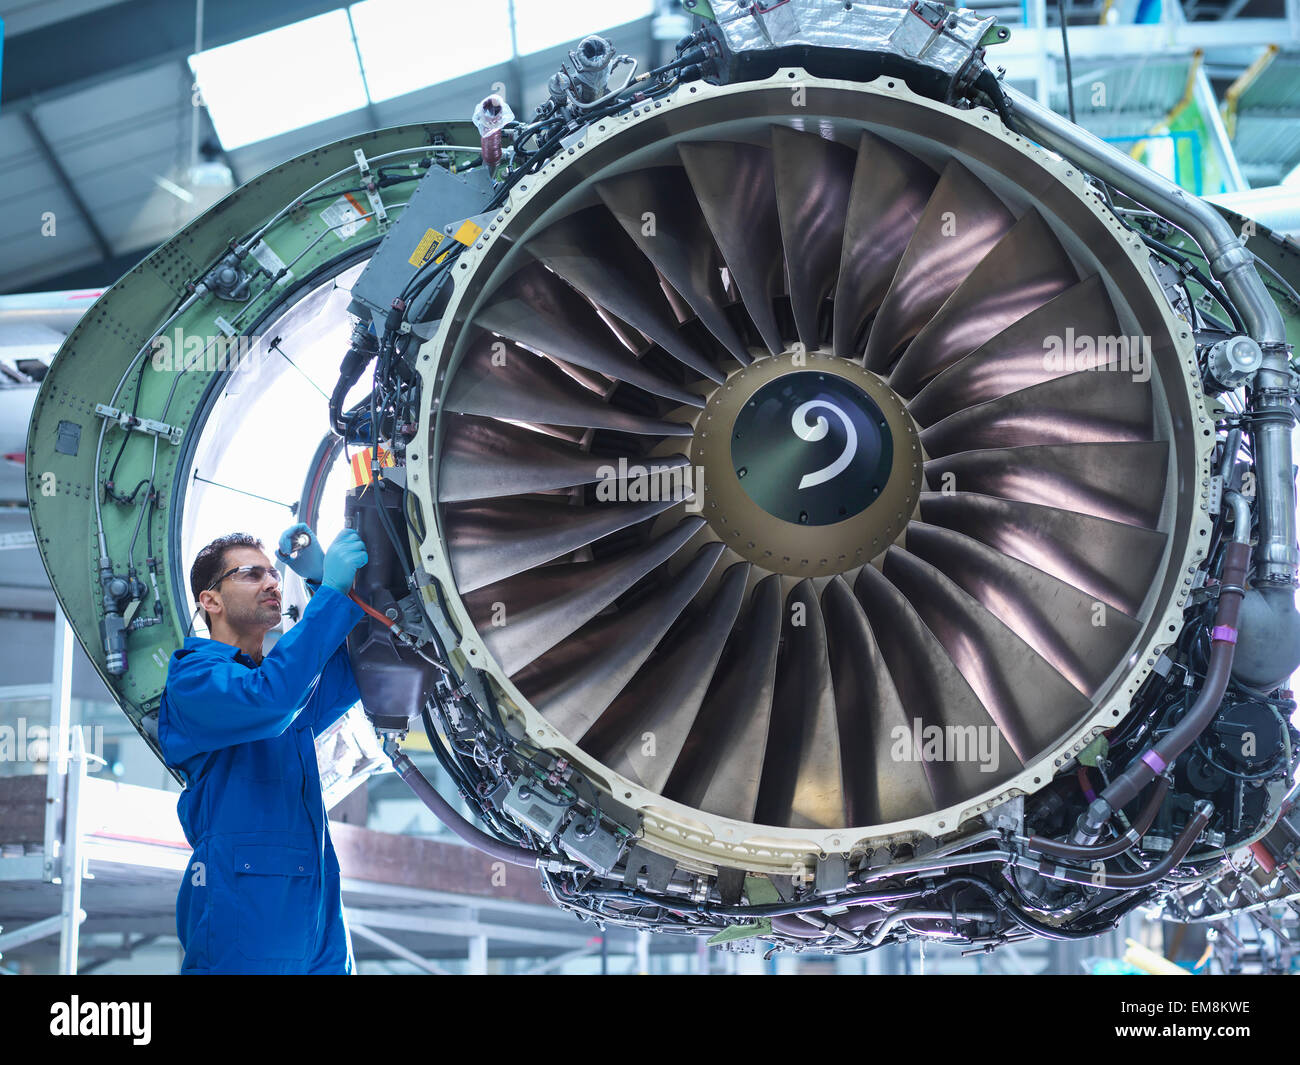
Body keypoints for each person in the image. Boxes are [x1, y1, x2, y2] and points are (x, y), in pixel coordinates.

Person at [158, 522, 368, 974]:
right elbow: (272, 701)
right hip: (244, 913)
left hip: (318, 916)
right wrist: (330, 590)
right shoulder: (194, 679)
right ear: (210, 601)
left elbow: (358, 671)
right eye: (251, 574)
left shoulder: (282, 679)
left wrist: (321, 585)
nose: (272, 582)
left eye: (274, 574)